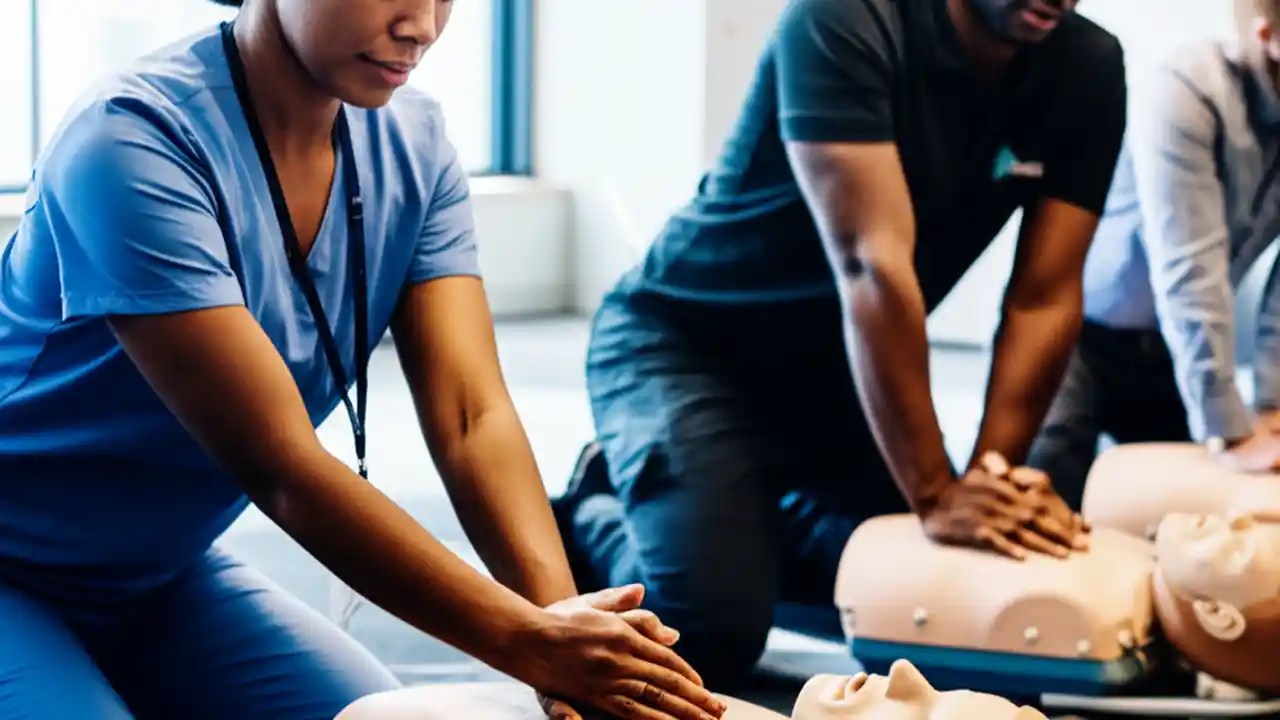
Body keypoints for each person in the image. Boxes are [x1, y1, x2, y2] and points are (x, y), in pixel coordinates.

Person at [0, 2, 728, 719]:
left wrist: (566, 622)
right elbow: (281, 468)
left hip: (159, 569)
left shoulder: (414, 143)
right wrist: (529, 642)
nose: (424, 24)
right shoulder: (129, 139)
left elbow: (469, 415)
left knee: (381, 714)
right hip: (11, 564)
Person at [553, 0, 1126, 689]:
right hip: (687, 348)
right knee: (704, 632)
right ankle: (596, 505)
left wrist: (991, 480)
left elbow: (1044, 296)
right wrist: (938, 494)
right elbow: (871, 267)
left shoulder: (1086, 65)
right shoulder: (842, 20)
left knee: (916, 596)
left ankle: (738, 521)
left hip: (843, 373)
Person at [1027, 0, 1280, 502]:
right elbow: (1190, 267)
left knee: (1177, 516)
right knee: (1041, 496)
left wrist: (1273, 405)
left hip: (1172, 349)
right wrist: (1229, 428)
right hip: (1078, 334)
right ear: (1269, 35)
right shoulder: (1185, 87)